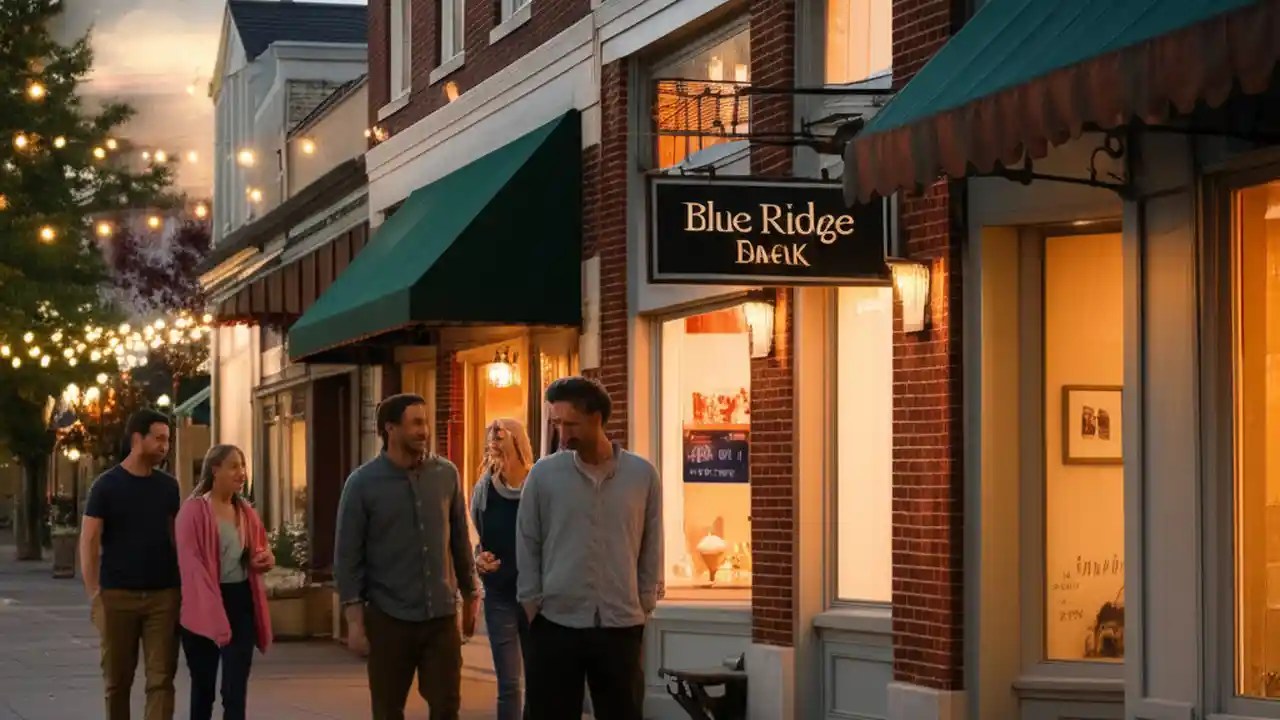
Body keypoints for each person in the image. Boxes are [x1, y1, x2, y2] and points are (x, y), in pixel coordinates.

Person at [517, 376, 663, 720]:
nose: (562, 434)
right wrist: (530, 601)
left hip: (620, 624)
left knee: (622, 712)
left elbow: (652, 542)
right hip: (555, 620)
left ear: (597, 418)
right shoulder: (543, 475)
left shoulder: (642, 476)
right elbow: (527, 540)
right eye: (557, 423)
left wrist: (645, 603)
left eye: (571, 424)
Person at [335, 393, 480, 720]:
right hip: (389, 618)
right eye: (415, 423)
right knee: (388, 711)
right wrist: (355, 623)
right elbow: (348, 557)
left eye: (425, 422)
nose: (424, 430)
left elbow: (459, 539)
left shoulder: (446, 475)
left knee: (446, 707)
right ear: (391, 429)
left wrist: (471, 595)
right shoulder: (362, 484)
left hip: (440, 616)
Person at [80, 409, 182, 720]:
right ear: (137, 439)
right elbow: (89, 540)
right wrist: (94, 592)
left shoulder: (169, 487)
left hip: (163, 595)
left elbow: (177, 536)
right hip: (117, 595)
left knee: (161, 679)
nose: (165, 446)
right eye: (159, 439)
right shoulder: (106, 486)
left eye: (168, 440)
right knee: (117, 681)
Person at [175, 445, 275, 720]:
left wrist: (264, 559)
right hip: (202, 604)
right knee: (203, 689)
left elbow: (260, 549)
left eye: (242, 466)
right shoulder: (193, 512)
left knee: (235, 691)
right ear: (214, 469)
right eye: (233, 466)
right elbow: (191, 565)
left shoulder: (246, 512)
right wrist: (212, 611)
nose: (241, 473)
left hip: (239, 601)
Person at [471, 418, 535, 720]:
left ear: (517, 441)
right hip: (500, 595)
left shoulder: (537, 485)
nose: (494, 443)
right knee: (509, 683)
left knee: (539, 681)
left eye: (500, 436)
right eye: (491, 438)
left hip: (538, 596)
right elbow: (480, 539)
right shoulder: (484, 488)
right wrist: (479, 558)